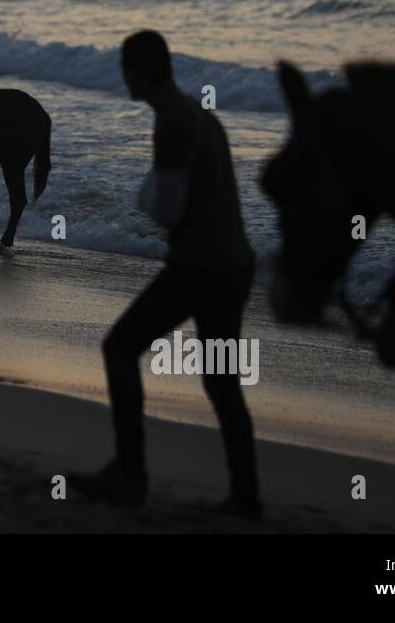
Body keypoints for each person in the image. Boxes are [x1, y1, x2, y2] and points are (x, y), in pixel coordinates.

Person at [70, 30, 260, 518]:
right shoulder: (197, 113)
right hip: (234, 264)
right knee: (222, 382)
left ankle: (130, 474)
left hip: (201, 265)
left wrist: (145, 200)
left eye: (123, 69)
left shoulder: (173, 124)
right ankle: (246, 497)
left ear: (133, 72)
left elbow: (169, 212)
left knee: (119, 348)